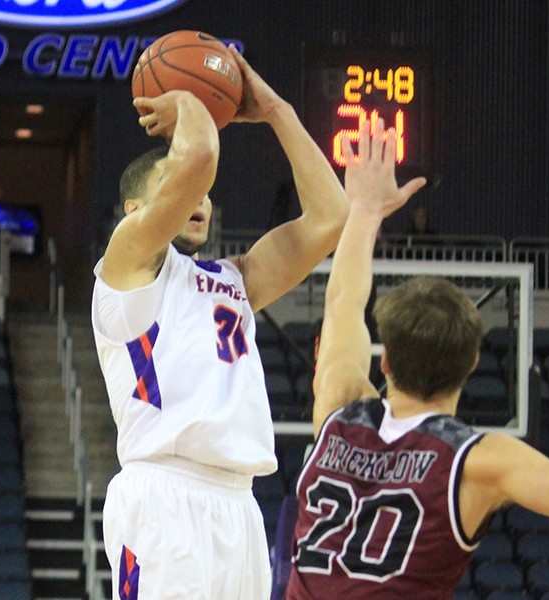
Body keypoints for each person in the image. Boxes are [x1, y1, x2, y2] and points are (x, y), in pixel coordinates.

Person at [285, 118, 549, 599]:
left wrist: (364, 210)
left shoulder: (338, 412)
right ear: (472, 363)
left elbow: (343, 303)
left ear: (385, 363)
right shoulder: (478, 461)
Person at [91, 45, 349, 600]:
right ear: (137, 210)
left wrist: (276, 109)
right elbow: (201, 155)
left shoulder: (234, 279)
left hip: (239, 506)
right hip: (164, 497)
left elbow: (331, 216)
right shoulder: (125, 265)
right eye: (177, 186)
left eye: (206, 194)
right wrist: (187, 97)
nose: (199, 198)